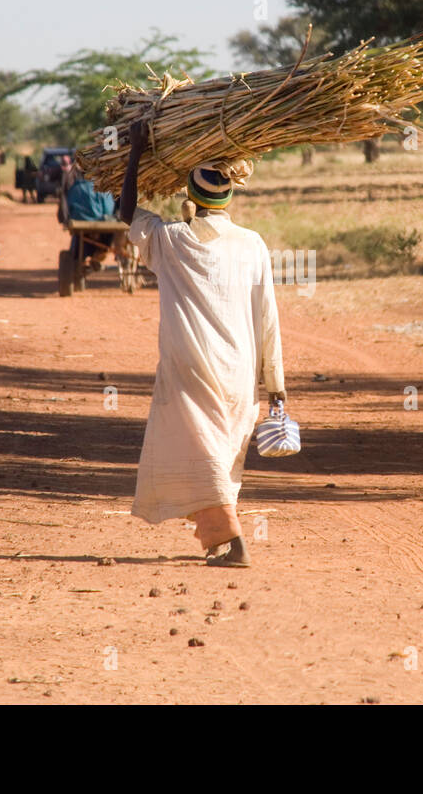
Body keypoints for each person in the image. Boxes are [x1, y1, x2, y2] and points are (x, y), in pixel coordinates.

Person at [118, 120, 286, 568]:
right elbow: (268, 315)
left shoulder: (171, 239)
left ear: (189, 200)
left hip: (188, 370)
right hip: (238, 374)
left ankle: (232, 542)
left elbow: (126, 212)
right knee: (216, 452)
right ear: (230, 198)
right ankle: (217, 539)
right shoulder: (253, 244)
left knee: (202, 451)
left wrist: (134, 153)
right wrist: (277, 387)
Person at [58, 152, 116, 271]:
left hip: (80, 224)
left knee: (79, 239)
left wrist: (67, 218)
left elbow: (68, 206)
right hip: (101, 224)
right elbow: (108, 210)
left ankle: (80, 260)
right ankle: (99, 254)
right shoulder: (101, 187)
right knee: (110, 235)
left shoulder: (75, 187)